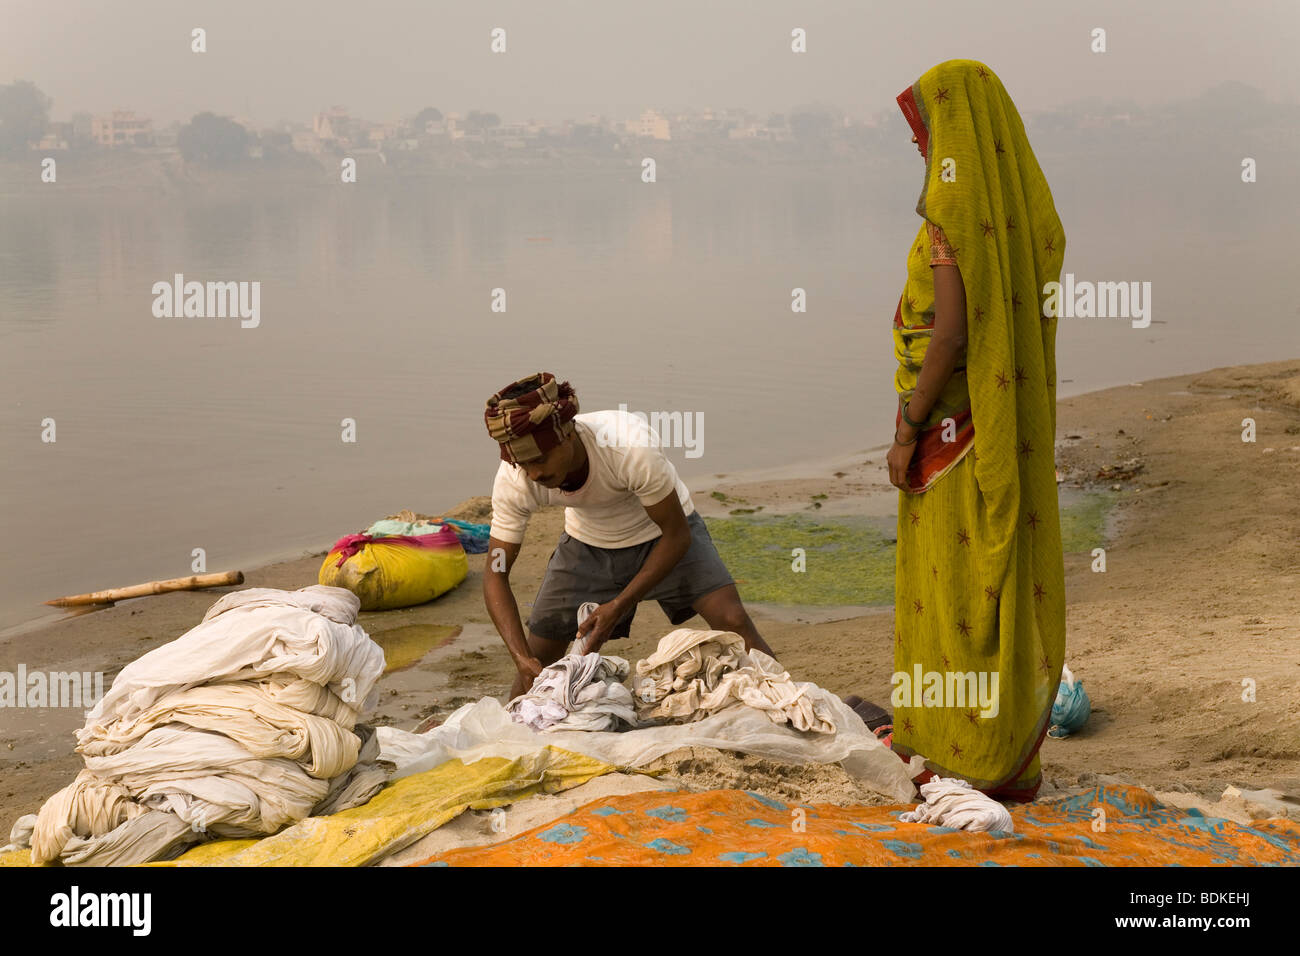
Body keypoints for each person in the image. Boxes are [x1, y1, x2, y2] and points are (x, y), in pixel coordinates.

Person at [886, 60, 1066, 801]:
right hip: (997, 430)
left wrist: (906, 429)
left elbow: (951, 335)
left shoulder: (951, 216)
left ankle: (965, 753)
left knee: (956, 596)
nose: (921, 146)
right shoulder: (1023, 210)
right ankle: (1004, 754)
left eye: (926, 129)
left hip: (951, 439)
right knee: (989, 591)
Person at [480, 372, 775, 700]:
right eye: (523, 464)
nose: (534, 474)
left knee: (732, 618)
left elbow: (677, 536)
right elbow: (496, 573)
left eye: (540, 460)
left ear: (567, 433)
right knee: (539, 656)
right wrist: (520, 658)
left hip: (664, 534)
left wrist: (619, 604)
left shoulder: (627, 446)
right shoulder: (516, 479)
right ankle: (518, 728)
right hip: (587, 543)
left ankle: (789, 699)